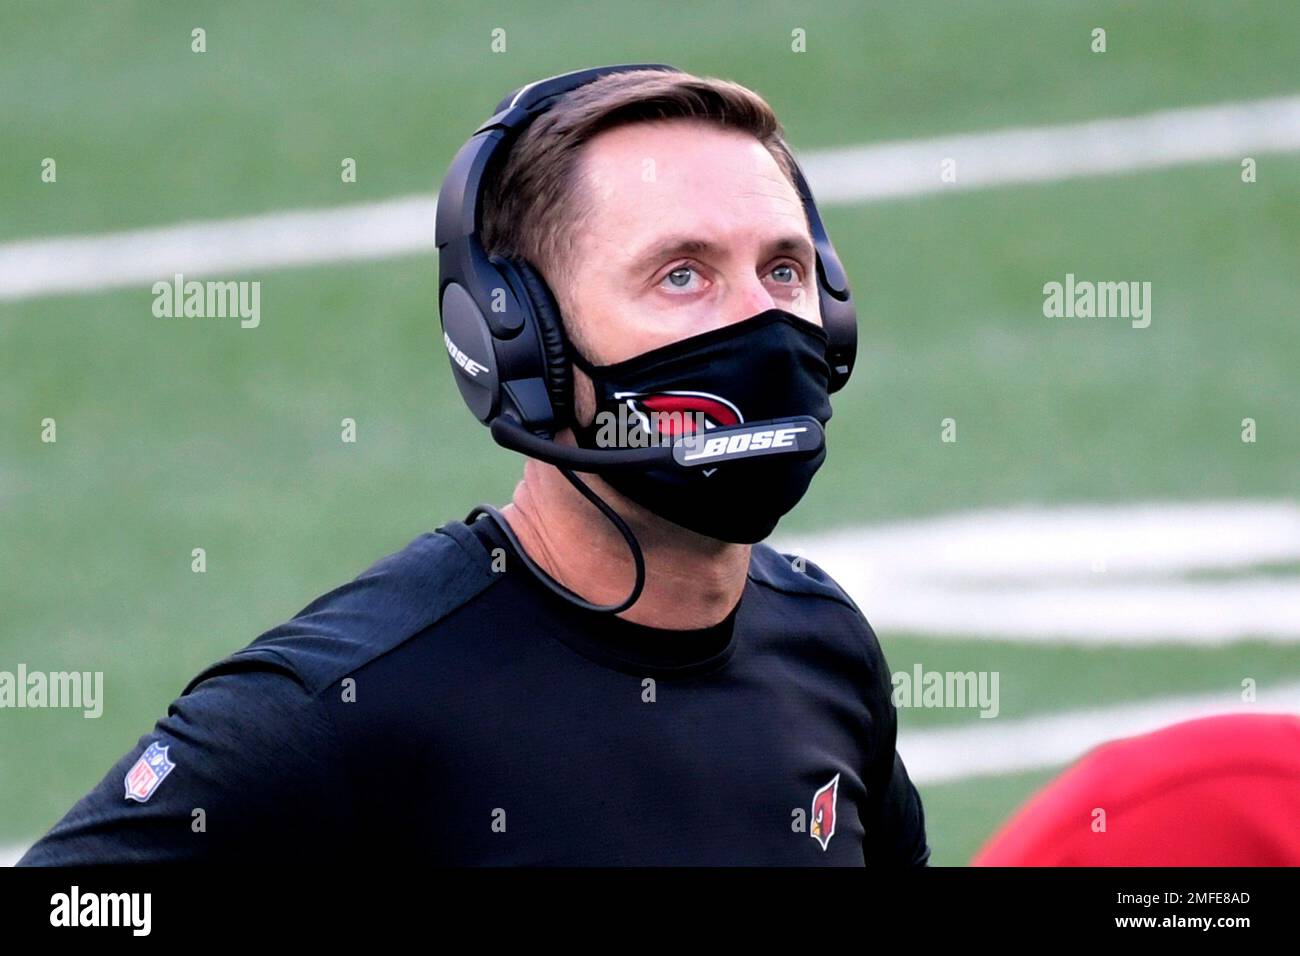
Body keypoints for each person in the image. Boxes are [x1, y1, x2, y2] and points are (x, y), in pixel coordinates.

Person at [19, 64, 929, 866]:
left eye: (783, 271)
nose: (761, 326)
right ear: (523, 345)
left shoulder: (825, 649)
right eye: (680, 275)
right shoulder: (335, 705)